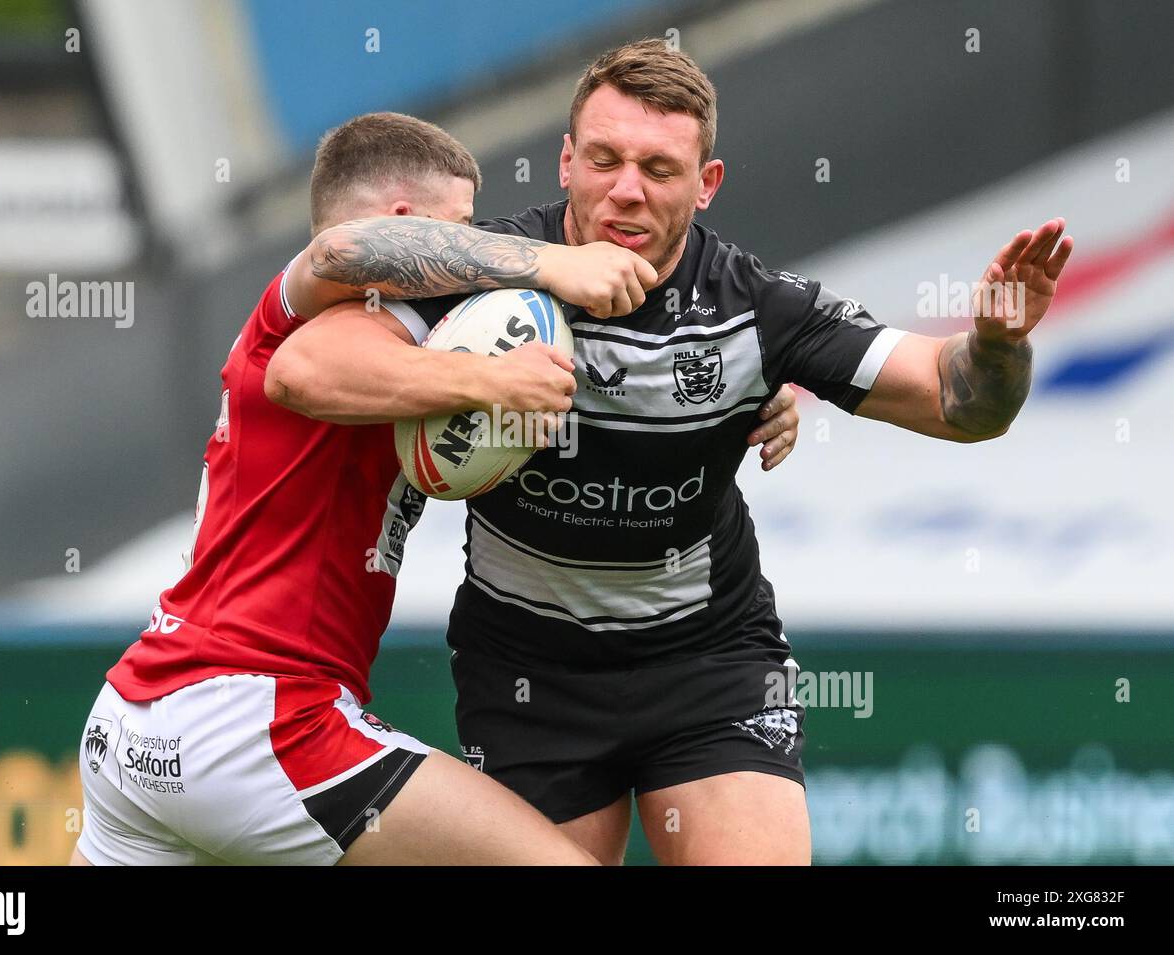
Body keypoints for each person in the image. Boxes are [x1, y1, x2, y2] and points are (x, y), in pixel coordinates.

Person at [274, 40, 1073, 865]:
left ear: (706, 184)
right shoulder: (486, 270)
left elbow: (957, 401)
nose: (625, 189)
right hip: (525, 673)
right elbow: (303, 367)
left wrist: (996, 338)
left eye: (659, 168)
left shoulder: (754, 307)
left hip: (707, 664)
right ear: (566, 161)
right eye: (605, 158)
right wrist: (467, 382)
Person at [71, 111, 803, 865]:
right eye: (461, 232)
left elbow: (581, 378)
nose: (479, 264)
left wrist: (733, 400)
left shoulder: (403, 350)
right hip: (259, 716)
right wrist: (544, 268)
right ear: (404, 225)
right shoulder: (315, 314)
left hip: (136, 720)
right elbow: (342, 255)